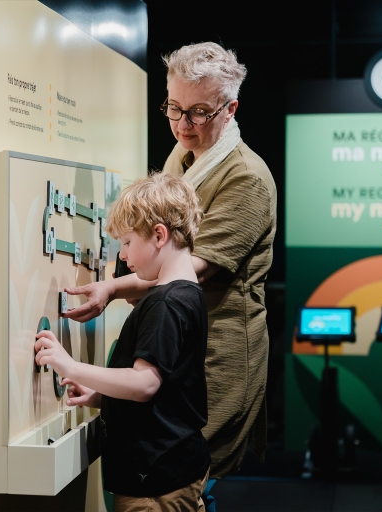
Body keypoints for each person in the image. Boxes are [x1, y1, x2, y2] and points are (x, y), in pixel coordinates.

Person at [64, 42, 277, 510]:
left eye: (199, 112)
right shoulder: (185, 157)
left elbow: (187, 269)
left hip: (213, 355)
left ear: (230, 109)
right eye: (175, 108)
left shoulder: (247, 178)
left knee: (184, 478)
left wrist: (113, 289)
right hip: (175, 346)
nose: (183, 124)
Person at [35, 173, 210, 512]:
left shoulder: (166, 303)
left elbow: (145, 384)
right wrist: (103, 396)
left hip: (155, 484)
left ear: (159, 235)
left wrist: (70, 366)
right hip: (171, 471)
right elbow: (168, 389)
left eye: (127, 242)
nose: (124, 256)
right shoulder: (188, 293)